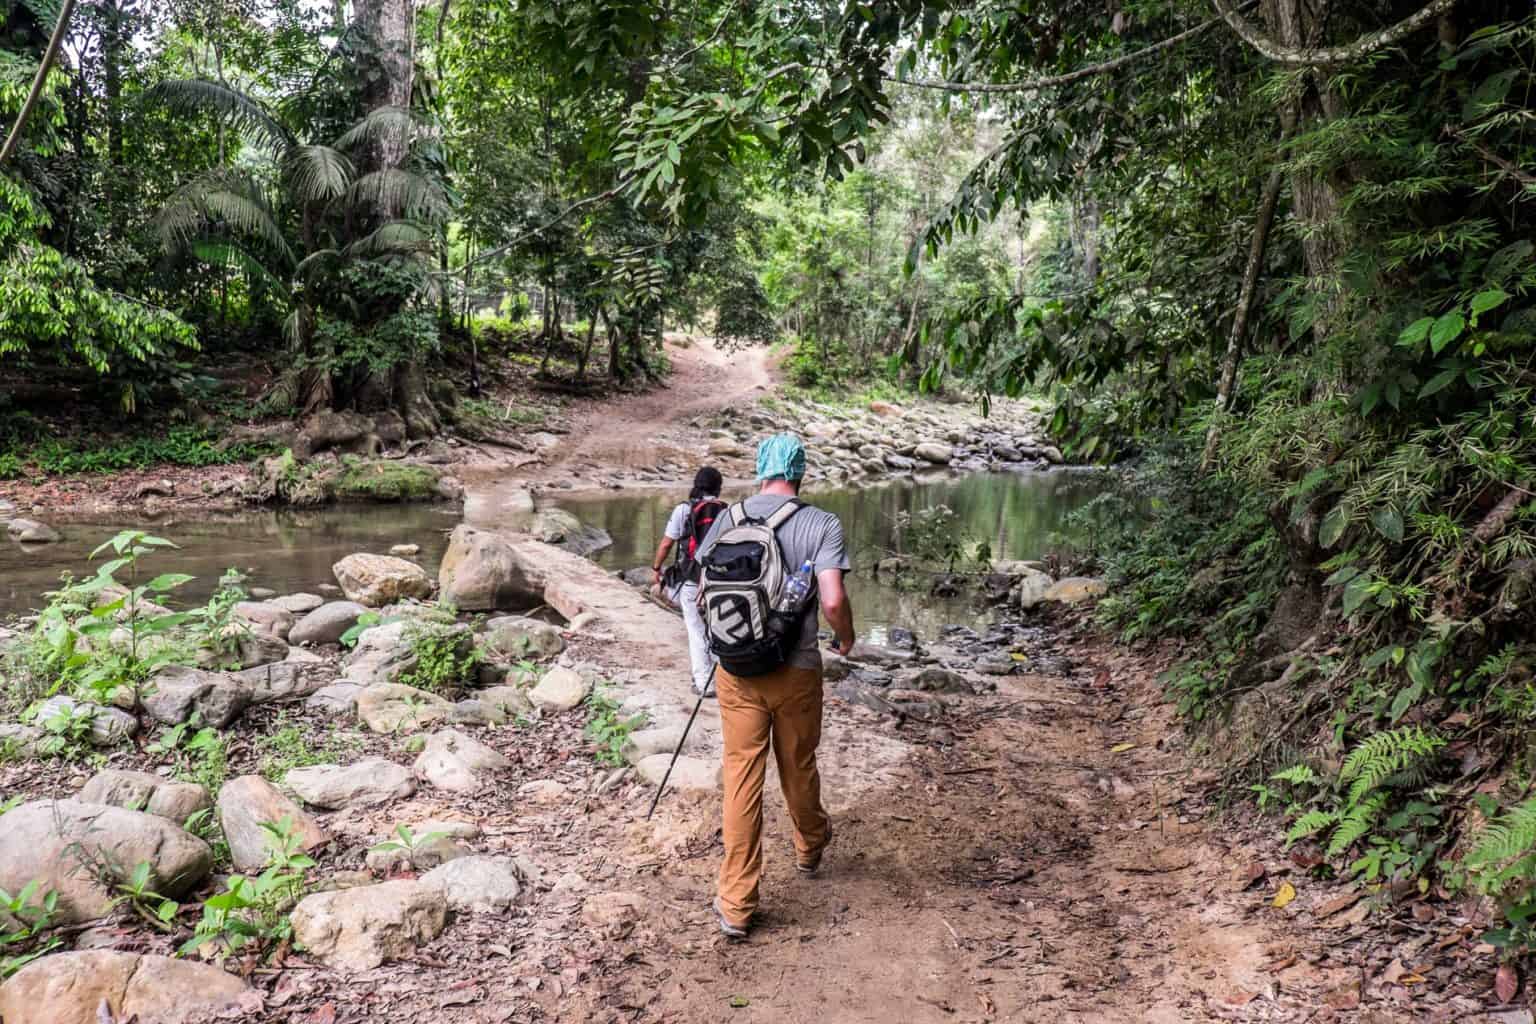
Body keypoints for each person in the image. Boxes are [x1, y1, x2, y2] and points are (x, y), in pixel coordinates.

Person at [695, 433, 855, 939]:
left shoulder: (728, 517)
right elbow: (832, 600)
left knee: (742, 775)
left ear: (761, 469)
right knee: (797, 763)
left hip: (737, 670)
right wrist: (846, 637)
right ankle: (809, 844)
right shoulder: (822, 523)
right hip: (795, 668)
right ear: (800, 471)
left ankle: (737, 903)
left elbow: (703, 593)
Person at [650, 466, 726, 697]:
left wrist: (656, 568)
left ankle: (704, 683)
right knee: (717, 628)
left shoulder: (684, 509)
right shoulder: (727, 510)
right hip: (720, 579)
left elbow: (667, 544)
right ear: (718, 487)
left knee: (695, 629)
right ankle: (723, 680)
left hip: (691, 578)